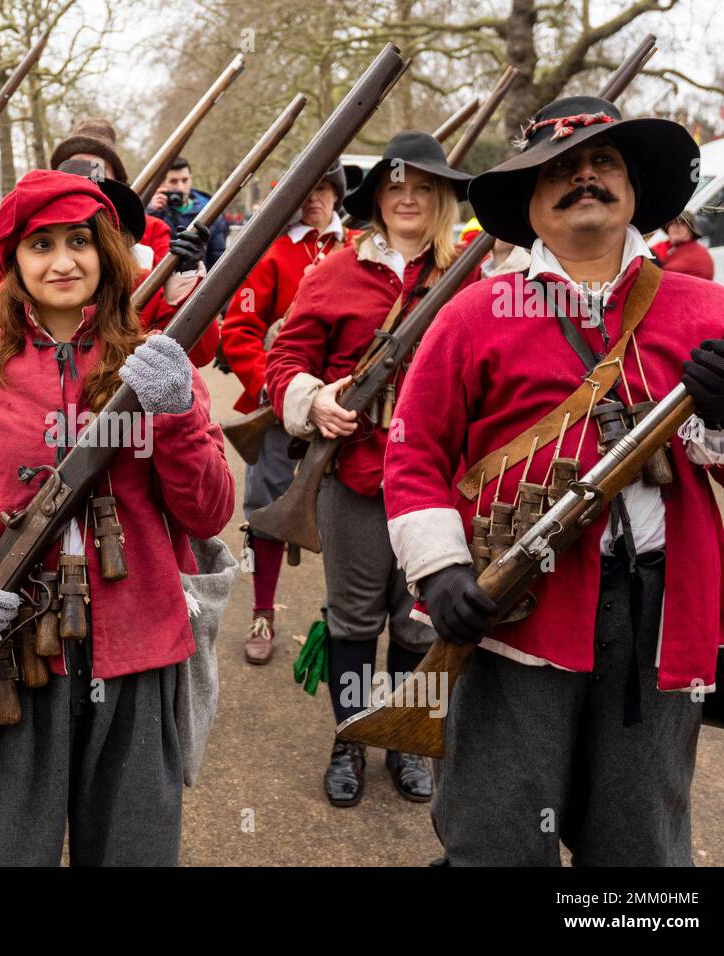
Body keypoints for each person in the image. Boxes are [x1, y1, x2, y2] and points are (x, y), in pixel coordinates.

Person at [383, 97, 724, 865]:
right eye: (561, 169)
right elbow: (414, 454)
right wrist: (442, 569)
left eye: (604, 163)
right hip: (516, 615)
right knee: (496, 836)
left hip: (660, 611)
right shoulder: (473, 314)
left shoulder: (712, 309)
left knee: (640, 847)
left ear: (634, 190)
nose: (585, 176)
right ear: (531, 201)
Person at [0, 170, 234, 865]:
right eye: (40, 245)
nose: (63, 261)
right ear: (14, 261)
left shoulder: (160, 361)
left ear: (107, 250)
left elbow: (211, 508)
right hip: (11, 658)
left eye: (79, 240)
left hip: (138, 653)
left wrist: (179, 416)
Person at [265, 131, 474, 808]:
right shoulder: (334, 271)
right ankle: (352, 733)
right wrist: (314, 399)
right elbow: (283, 361)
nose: (408, 198)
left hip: (440, 480)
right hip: (353, 473)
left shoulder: (469, 275)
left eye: (422, 187)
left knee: (420, 623)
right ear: (377, 197)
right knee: (353, 621)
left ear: (440, 198)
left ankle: (409, 739)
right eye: (395, 186)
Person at [220, 162, 358, 664]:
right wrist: (277, 393)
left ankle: (345, 618)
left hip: (352, 406)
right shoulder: (270, 252)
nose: (314, 198)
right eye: (306, 188)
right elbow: (238, 332)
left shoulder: (359, 247)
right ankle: (262, 612)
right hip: (279, 406)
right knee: (264, 511)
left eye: (323, 188)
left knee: (351, 510)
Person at [0, 118, 217, 365]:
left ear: (115, 183)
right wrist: (45, 309)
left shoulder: (152, 234)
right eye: (74, 173)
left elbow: (195, 353)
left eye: (95, 174)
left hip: (120, 377)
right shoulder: (29, 231)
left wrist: (186, 285)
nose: (84, 182)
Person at [146, 157, 229, 268]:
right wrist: (152, 214)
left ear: (191, 179)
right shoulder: (152, 211)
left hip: (201, 280)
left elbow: (217, 259)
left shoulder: (210, 211)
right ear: (161, 184)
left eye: (185, 180)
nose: (180, 187)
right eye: (173, 181)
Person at [653, 211, 714, 280]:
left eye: (682, 223)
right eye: (672, 223)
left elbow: (664, 275)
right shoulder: (660, 247)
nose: (676, 226)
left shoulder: (699, 253)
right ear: (668, 229)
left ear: (691, 230)